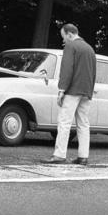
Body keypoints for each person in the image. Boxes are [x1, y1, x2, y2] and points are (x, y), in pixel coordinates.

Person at [43, 23, 97, 165]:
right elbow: (93, 72)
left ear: (70, 34)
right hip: (86, 91)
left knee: (64, 122)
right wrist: (90, 91)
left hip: (73, 90)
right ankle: (83, 156)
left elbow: (67, 69)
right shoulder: (90, 49)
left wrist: (61, 90)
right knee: (83, 124)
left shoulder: (71, 46)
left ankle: (60, 155)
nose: (63, 41)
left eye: (64, 37)